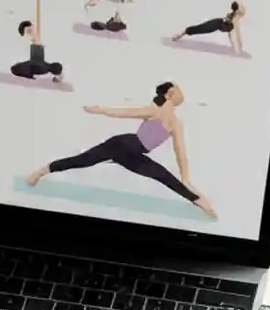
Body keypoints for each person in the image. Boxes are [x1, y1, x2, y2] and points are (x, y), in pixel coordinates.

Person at [25, 82, 217, 218]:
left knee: (162, 175)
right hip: (121, 145)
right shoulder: (154, 110)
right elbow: (123, 112)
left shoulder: (177, 124)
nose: (181, 92)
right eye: (177, 89)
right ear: (169, 94)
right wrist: (99, 109)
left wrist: (186, 179)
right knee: (81, 160)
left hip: (135, 154)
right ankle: (42, 171)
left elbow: (180, 153)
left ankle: (198, 200)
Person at [10, 0, 64, 82]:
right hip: (35, 63)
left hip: (35, 63)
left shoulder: (42, 67)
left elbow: (29, 68)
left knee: (36, 44)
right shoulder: (42, 68)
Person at [172, 0, 247, 53]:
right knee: (200, 28)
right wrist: (236, 47)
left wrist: (234, 46)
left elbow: (232, 36)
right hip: (216, 23)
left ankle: (183, 33)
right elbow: (235, 35)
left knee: (200, 28)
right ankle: (182, 34)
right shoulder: (234, 20)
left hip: (217, 24)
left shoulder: (235, 20)